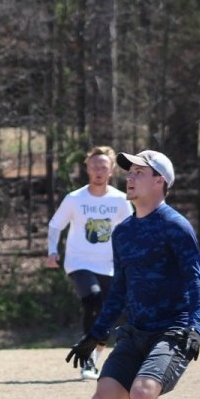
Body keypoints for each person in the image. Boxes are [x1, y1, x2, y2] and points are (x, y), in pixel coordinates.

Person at [48, 149, 200, 399]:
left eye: (140, 172)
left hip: (174, 331)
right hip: (135, 331)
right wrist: (97, 334)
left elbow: (197, 282)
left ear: (160, 182)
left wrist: (195, 326)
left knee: (143, 393)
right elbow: (120, 287)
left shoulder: (176, 227)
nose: (130, 177)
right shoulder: (123, 232)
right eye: (130, 171)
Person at [46, 146, 133, 379]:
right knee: (93, 299)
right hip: (79, 262)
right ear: (87, 168)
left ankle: (92, 360)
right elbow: (55, 225)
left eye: (103, 167)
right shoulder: (75, 199)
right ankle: (87, 357)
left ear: (111, 170)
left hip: (110, 265)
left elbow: (131, 230)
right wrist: (52, 251)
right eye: (94, 166)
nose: (98, 171)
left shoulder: (120, 199)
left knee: (107, 314)